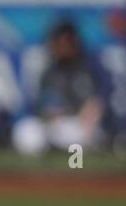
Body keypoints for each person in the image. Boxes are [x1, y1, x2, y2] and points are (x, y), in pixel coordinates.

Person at [12, 20, 106, 155]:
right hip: (50, 126)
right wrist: (47, 114)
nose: (61, 47)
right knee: (26, 133)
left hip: (76, 124)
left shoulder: (90, 66)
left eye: (65, 43)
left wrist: (95, 106)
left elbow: (102, 96)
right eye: (58, 43)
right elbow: (34, 105)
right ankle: (50, 152)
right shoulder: (47, 69)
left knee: (80, 135)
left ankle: (59, 150)